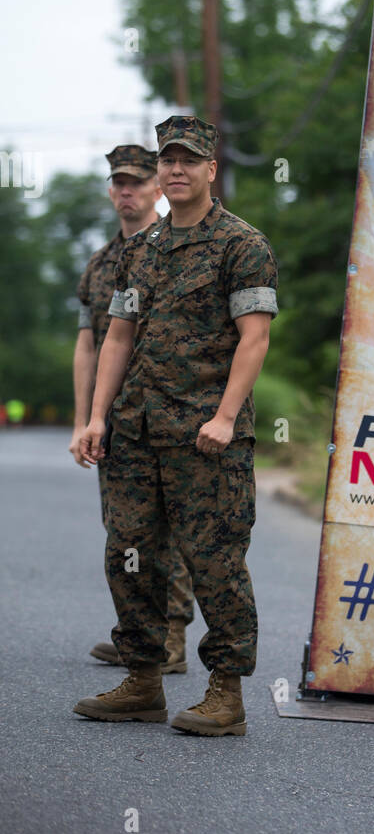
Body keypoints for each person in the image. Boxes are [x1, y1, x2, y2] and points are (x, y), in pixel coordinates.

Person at [75, 115, 278, 736]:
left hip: (204, 436)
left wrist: (223, 417)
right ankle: (142, 679)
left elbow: (255, 339)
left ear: (211, 169)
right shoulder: (139, 251)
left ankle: (225, 693)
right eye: (169, 160)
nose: (177, 169)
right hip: (134, 434)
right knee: (130, 554)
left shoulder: (243, 246)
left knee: (215, 562)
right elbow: (117, 337)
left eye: (189, 160)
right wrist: (97, 417)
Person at [69, 145, 195, 673]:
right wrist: (83, 420)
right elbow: (89, 346)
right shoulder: (101, 264)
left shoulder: (177, 250)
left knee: (171, 528)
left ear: (158, 189)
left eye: (138, 182)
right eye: (119, 182)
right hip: (113, 418)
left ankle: (170, 638)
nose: (127, 191)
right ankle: (140, 637)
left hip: (168, 415)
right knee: (124, 531)